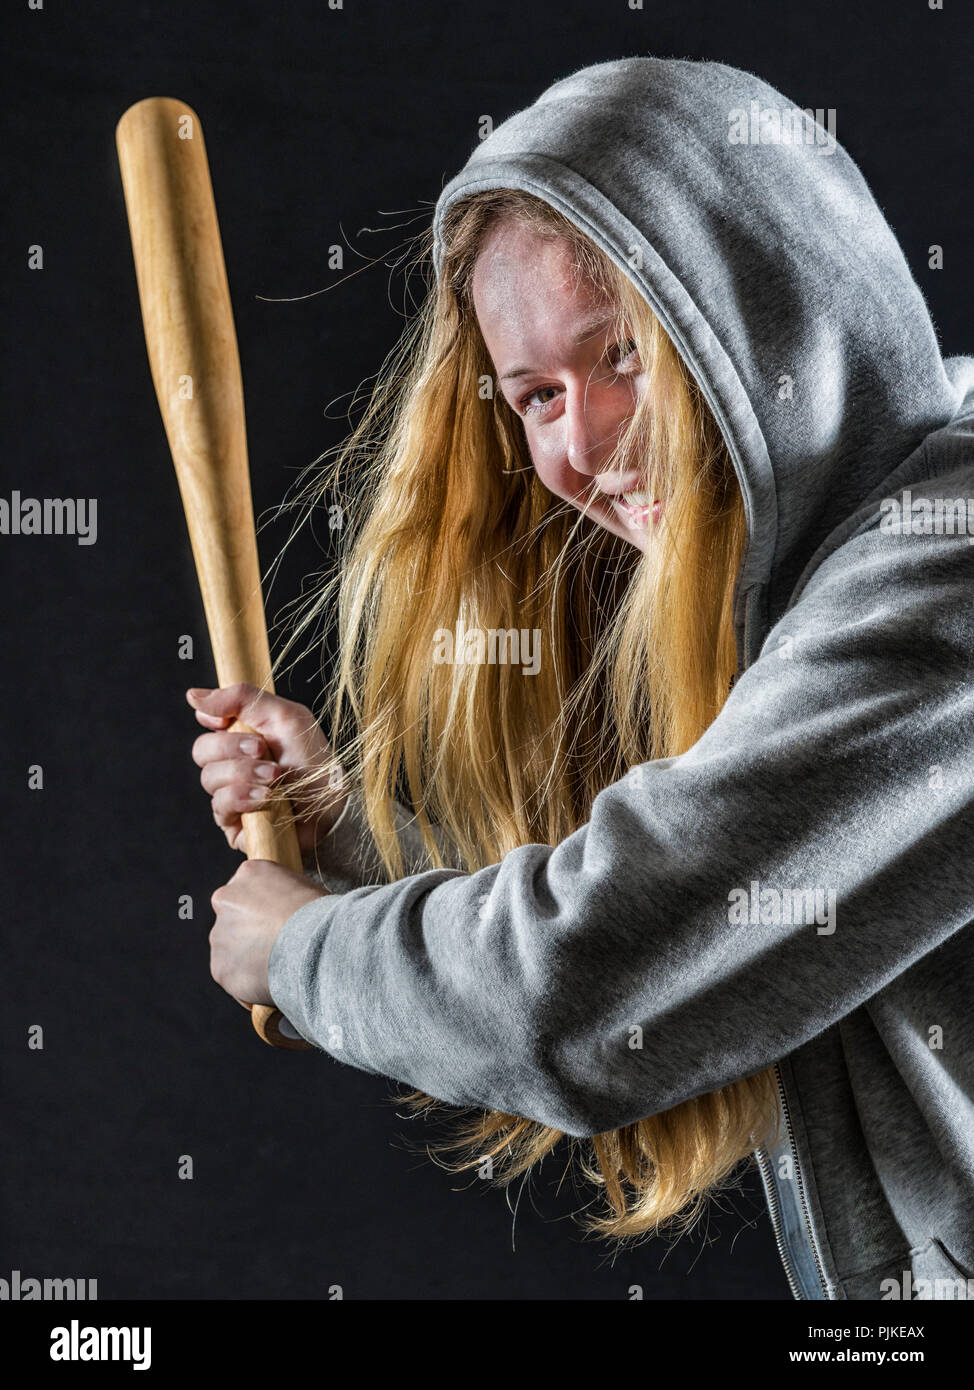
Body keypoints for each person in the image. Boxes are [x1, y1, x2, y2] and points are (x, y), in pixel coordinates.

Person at [186, 57, 974, 1300]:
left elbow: (587, 982)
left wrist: (308, 951)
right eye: (536, 394)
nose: (584, 443)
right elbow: (662, 893)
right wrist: (343, 840)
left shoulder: (950, 571)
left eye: (623, 355)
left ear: (767, 307)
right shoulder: (838, 568)